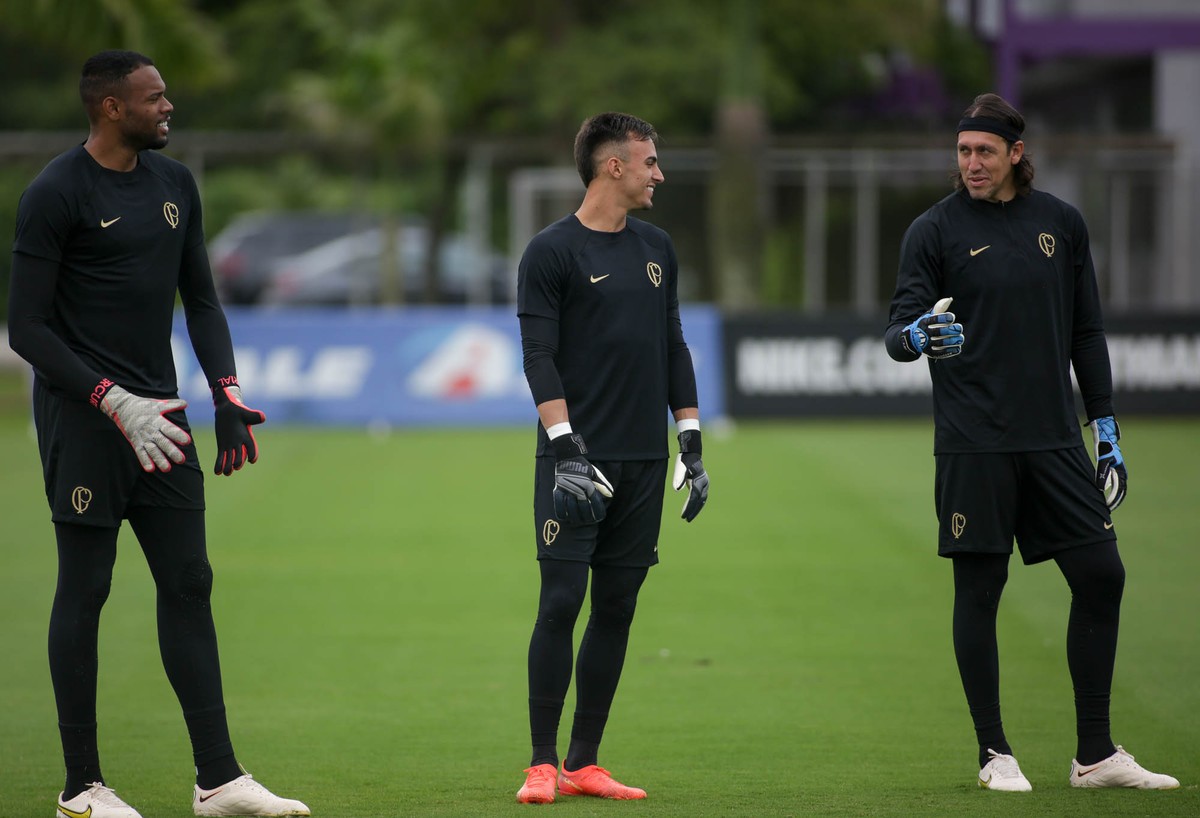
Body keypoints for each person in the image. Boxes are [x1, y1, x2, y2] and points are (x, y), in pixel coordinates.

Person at [8, 50, 310, 818]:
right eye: (154, 97)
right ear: (111, 107)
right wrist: (112, 399)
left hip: (164, 422)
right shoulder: (56, 192)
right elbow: (28, 328)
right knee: (88, 587)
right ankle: (81, 789)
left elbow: (202, 301)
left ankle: (219, 781)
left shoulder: (175, 185)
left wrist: (227, 394)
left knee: (189, 582)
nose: (167, 106)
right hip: (86, 421)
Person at [885, 92, 1179, 793]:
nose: (971, 163)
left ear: (1017, 153)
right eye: (962, 152)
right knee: (981, 588)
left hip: (1054, 440)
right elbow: (897, 333)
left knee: (1103, 576)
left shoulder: (1061, 224)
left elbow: (1087, 332)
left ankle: (1096, 754)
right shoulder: (933, 230)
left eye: (985, 151)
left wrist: (1105, 427)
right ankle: (994, 753)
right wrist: (919, 335)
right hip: (973, 443)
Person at [512, 112, 709, 804]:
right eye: (651, 161)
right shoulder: (550, 252)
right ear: (612, 167)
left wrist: (689, 437)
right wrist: (564, 449)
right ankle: (541, 763)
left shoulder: (657, 247)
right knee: (562, 600)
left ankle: (585, 761)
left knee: (618, 606)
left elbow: (674, 345)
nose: (660, 173)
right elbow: (537, 356)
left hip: (644, 462)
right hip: (575, 460)